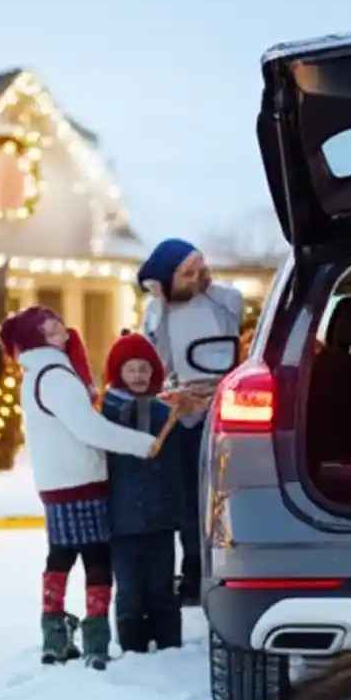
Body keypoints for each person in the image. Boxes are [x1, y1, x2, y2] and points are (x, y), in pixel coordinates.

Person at [0, 306, 156, 670]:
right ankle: (96, 641)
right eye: (53, 330)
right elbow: (90, 430)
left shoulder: (36, 374)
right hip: (81, 479)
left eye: (61, 327)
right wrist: (142, 444)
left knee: (61, 555)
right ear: (37, 339)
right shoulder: (56, 376)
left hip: (55, 481)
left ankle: (54, 634)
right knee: (97, 558)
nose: (64, 334)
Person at [137, 238, 242, 606]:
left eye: (200, 270)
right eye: (187, 273)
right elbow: (158, 358)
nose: (197, 278)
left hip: (215, 408)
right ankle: (192, 568)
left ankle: (217, 567)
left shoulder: (223, 300)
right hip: (176, 412)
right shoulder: (155, 311)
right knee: (183, 498)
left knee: (215, 495)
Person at [99, 333, 184, 653]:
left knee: (162, 584)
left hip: (160, 517)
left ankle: (168, 640)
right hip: (121, 519)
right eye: (131, 369)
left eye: (144, 369)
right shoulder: (106, 413)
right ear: (118, 372)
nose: (138, 376)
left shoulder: (165, 413)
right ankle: (132, 642)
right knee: (130, 587)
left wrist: (178, 509)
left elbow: (175, 465)